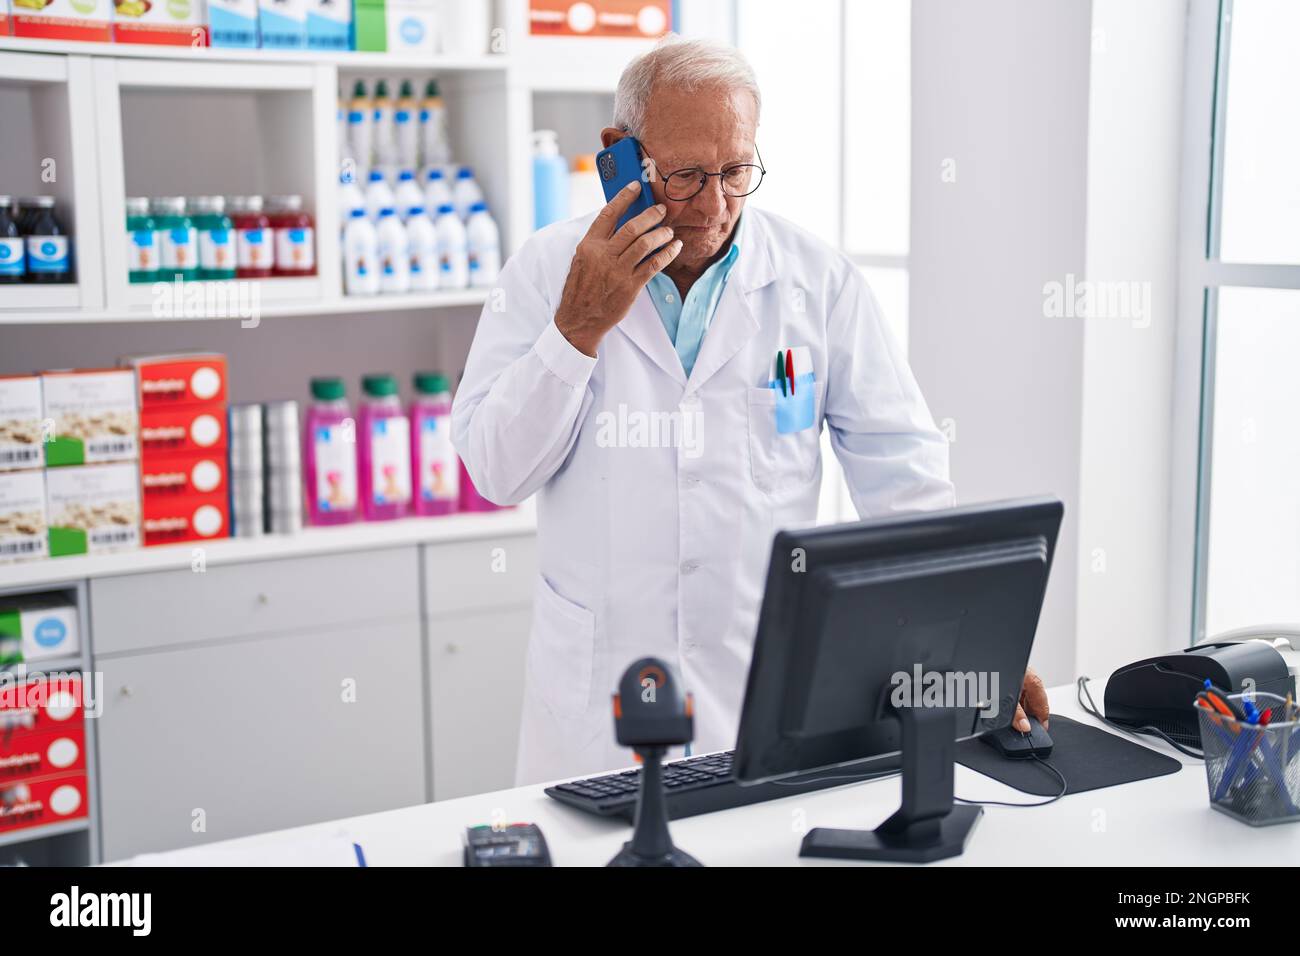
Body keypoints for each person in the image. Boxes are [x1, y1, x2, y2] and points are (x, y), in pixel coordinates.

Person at [453, 35, 1049, 785]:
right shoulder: (545, 272)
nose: (715, 205)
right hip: (597, 706)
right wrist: (576, 329)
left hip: (761, 696)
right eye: (686, 175)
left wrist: (976, 643)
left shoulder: (817, 281)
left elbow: (905, 480)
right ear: (620, 153)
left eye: (737, 170)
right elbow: (495, 472)